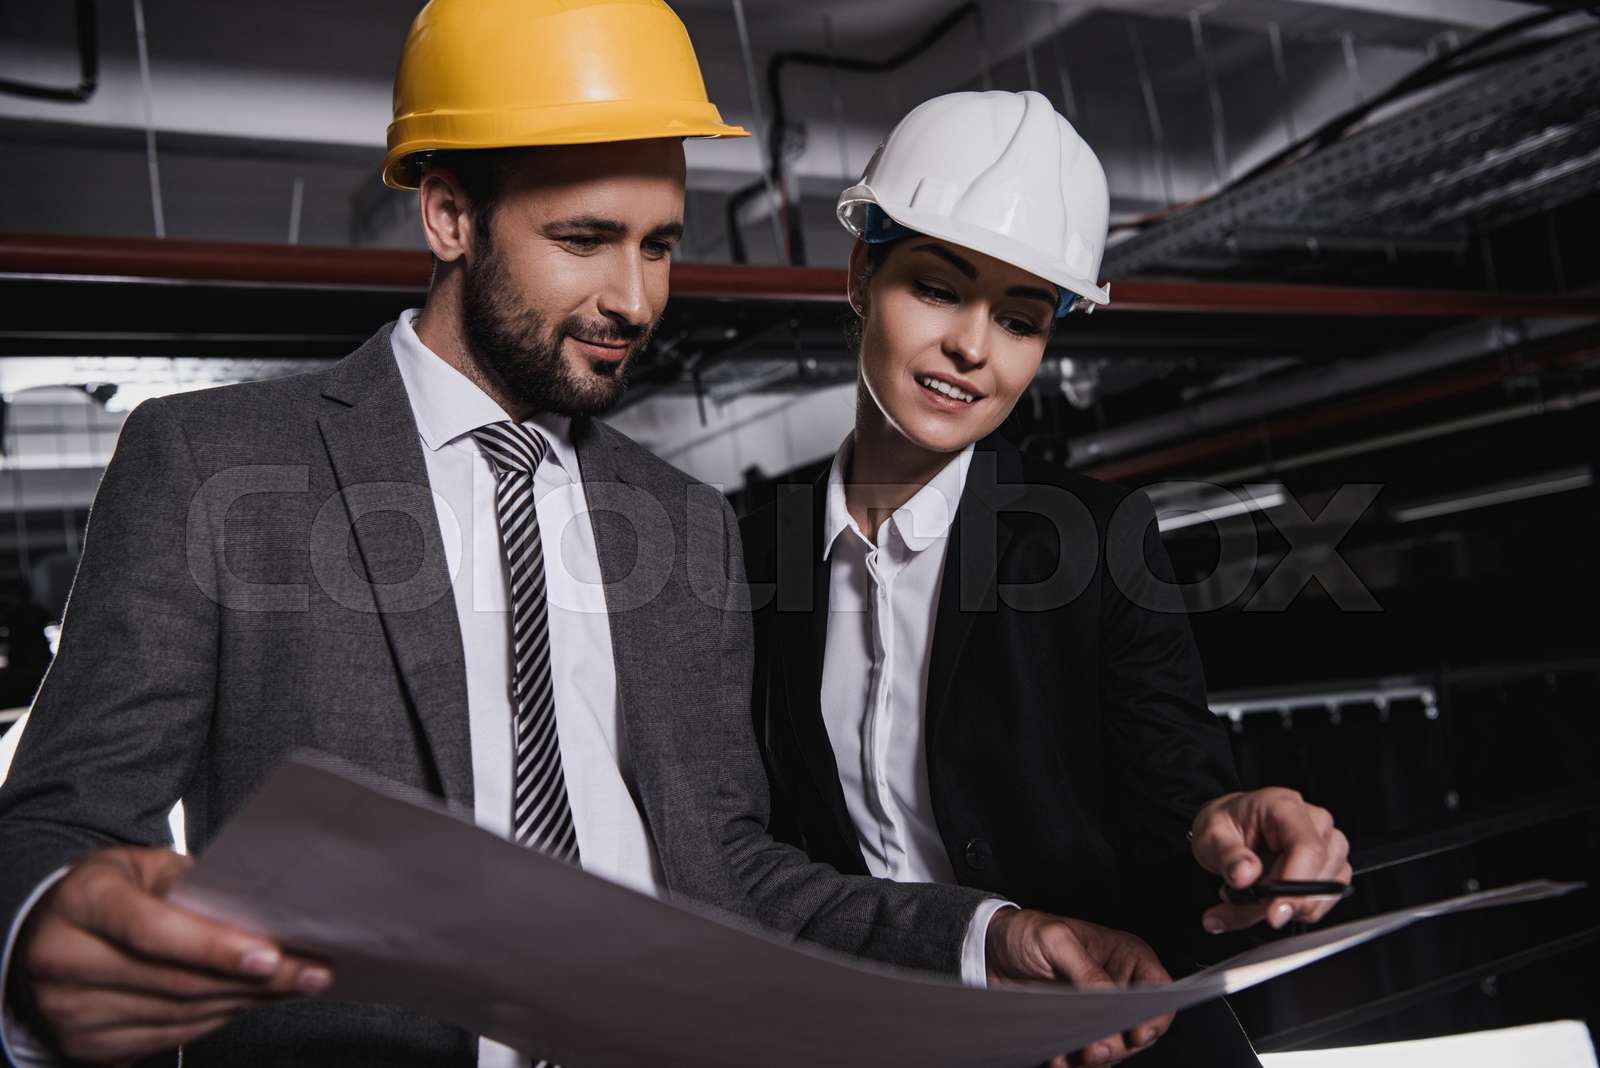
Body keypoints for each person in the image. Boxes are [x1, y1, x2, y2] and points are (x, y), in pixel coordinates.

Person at [0, 8, 1177, 1068]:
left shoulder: (680, 524)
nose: (636, 299)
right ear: (450, 214)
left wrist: (993, 936)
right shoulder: (212, 467)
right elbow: (59, 816)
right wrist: (41, 929)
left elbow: (733, 874)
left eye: (658, 243)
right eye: (584, 238)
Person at [741, 90, 1354, 1068]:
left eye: (1020, 319)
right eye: (938, 290)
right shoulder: (745, 555)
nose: (973, 351)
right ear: (862, 272)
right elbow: (755, 861)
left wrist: (1227, 834)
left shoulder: (1096, 541)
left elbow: (1180, 812)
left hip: (1117, 1042)